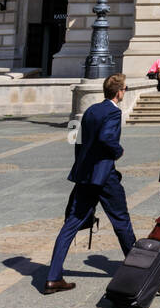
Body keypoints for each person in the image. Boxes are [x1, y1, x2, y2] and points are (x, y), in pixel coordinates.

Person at [44, 73, 137, 294]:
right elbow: (106, 138)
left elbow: (78, 140)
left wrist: (82, 166)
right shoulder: (114, 112)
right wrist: (118, 150)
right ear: (119, 92)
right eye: (125, 88)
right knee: (121, 222)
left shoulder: (91, 110)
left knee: (71, 224)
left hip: (85, 176)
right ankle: (139, 274)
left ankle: (53, 277)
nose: (125, 92)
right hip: (105, 177)